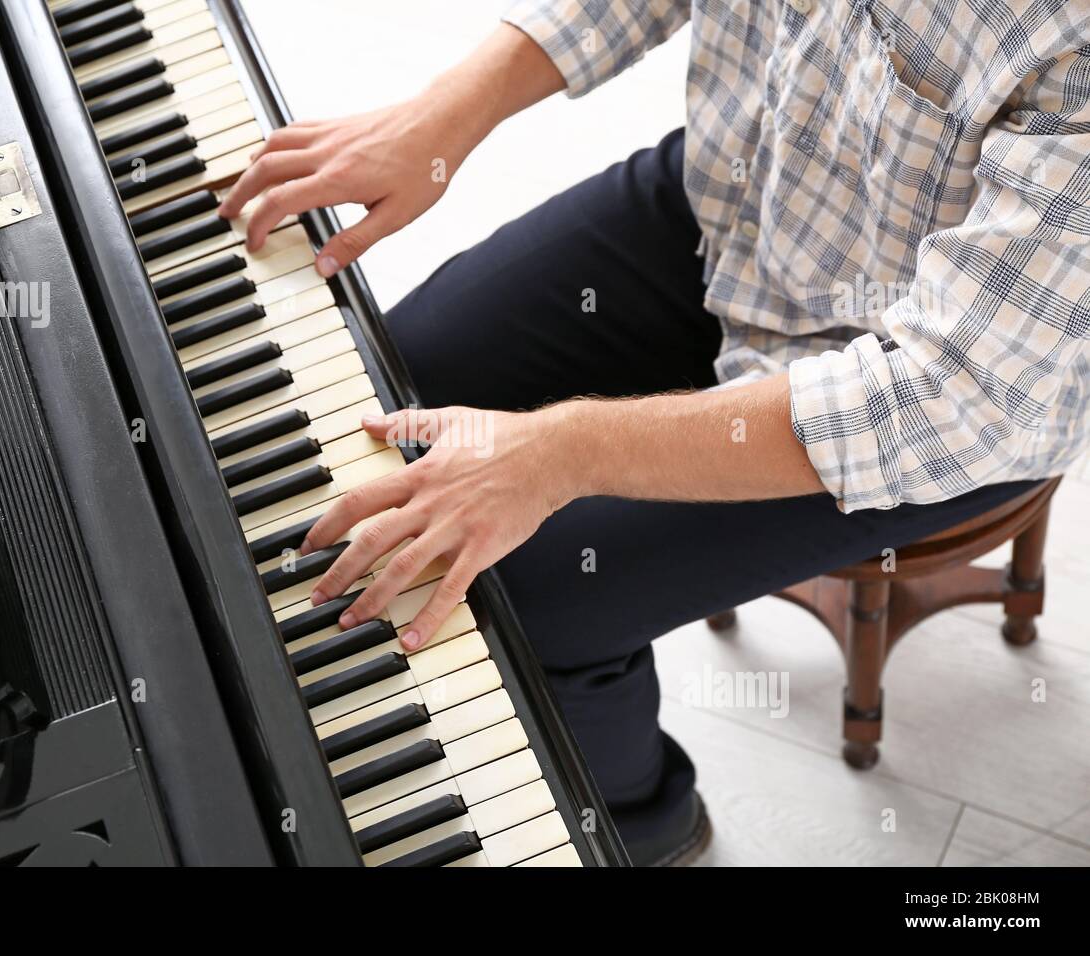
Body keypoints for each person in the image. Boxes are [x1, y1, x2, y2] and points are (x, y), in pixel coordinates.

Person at [218, 1, 1089, 865]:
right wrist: (438, 118)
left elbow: (957, 392)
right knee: (390, 385)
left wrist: (569, 448)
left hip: (925, 396)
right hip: (736, 206)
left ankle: (643, 823)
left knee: (532, 595)